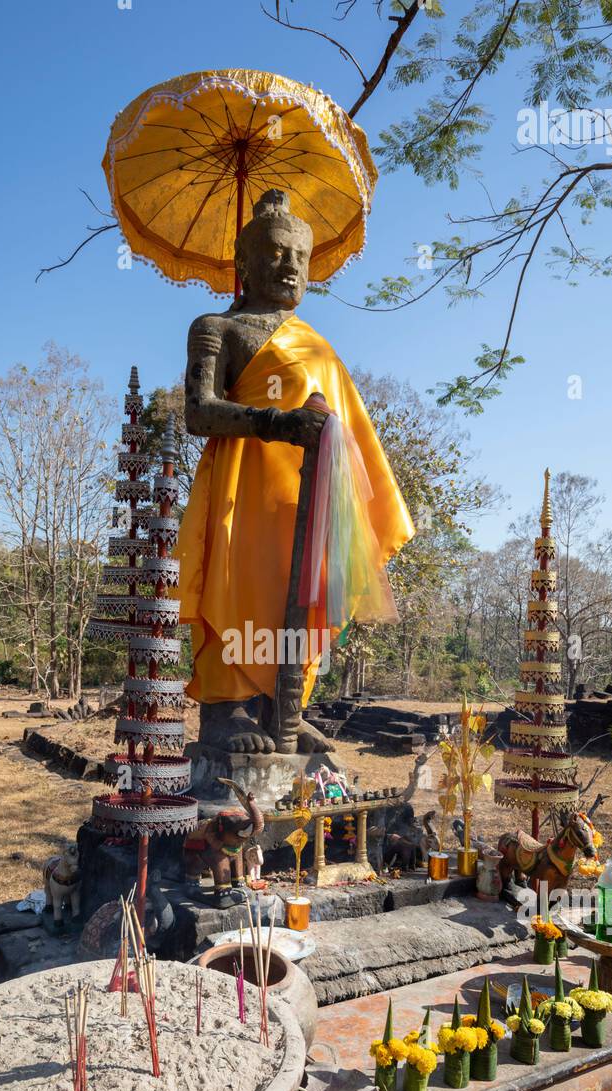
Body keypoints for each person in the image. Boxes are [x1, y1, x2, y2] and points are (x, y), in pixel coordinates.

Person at [178, 189, 413, 754]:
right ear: (245, 263)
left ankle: (285, 708)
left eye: (301, 258)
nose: (291, 267)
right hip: (243, 485)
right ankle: (227, 713)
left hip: (308, 494)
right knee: (240, 590)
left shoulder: (316, 344)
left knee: (302, 595)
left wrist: (323, 436)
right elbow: (198, 412)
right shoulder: (216, 327)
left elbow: (350, 425)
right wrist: (277, 424)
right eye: (278, 252)